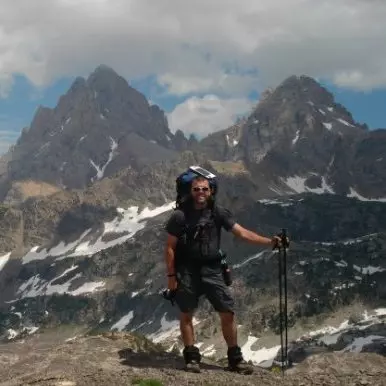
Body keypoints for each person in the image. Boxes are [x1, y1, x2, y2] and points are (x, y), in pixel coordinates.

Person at [164, 173, 283, 374]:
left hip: (212, 269)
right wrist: (171, 277)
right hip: (187, 270)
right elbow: (169, 248)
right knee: (186, 314)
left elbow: (243, 233)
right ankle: (192, 358)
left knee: (227, 312)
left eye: (204, 189)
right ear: (190, 192)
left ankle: (234, 359)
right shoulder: (179, 216)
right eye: (196, 189)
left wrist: (270, 242)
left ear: (211, 191)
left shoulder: (218, 213)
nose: (201, 192)